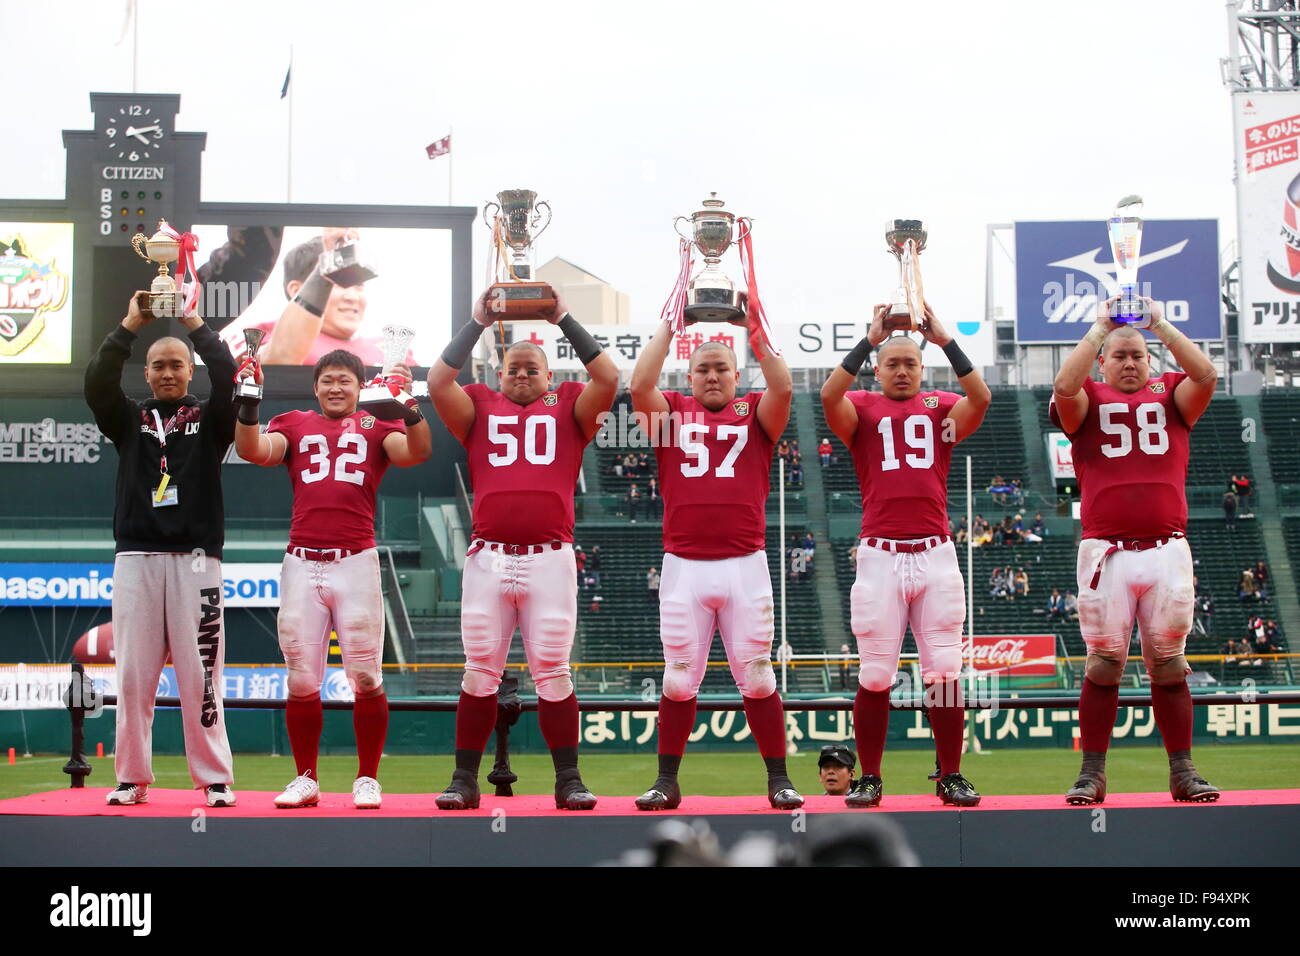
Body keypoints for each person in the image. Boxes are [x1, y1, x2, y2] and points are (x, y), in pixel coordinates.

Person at [426, 287, 618, 810]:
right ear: (498, 375)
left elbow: (609, 377)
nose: (523, 375)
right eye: (514, 368)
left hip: (549, 556)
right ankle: (465, 779)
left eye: (533, 369)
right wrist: (476, 323)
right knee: (479, 669)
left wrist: (561, 317)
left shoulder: (572, 405)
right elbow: (437, 380)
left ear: (549, 376)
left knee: (553, 669)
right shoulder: (479, 405)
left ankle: (568, 778)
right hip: (489, 556)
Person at [235, 350, 431, 809]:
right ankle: (306, 778)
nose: (335, 388)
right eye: (327, 380)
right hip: (302, 561)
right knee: (301, 678)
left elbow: (417, 451)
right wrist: (246, 403)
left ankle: (367, 777)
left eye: (344, 380)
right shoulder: (294, 423)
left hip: (354, 559)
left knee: (365, 675)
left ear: (361, 386)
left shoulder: (378, 424)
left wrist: (409, 406)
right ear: (315, 386)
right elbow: (252, 450)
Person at [629, 310, 802, 811]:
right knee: (679, 678)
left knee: (758, 676)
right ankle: (667, 781)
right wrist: (669, 323)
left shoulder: (757, 411)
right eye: (703, 368)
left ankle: (778, 779)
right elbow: (640, 384)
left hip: (744, 564)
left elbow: (784, 387)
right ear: (689, 376)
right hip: (684, 564)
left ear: (737, 374)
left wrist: (755, 327)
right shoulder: (672, 413)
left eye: (721, 368)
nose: (711, 376)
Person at [1050, 294, 1220, 804]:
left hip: (1167, 547)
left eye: (1137, 355)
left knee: (1168, 662)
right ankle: (1092, 773)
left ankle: (1182, 771)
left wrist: (1161, 324)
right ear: (1103, 361)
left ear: (1151, 360)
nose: (1129, 362)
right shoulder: (1088, 397)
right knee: (1104, 662)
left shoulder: (1172, 393)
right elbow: (1064, 386)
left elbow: (1207, 375)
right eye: (1119, 356)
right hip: (1107, 552)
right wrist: (1100, 328)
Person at [821, 301, 991, 808]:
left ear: (923, 368)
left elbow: (980, 397)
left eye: (909, 363)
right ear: (878, 369)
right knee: (875, 673)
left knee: (944, 670)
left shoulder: (941, 405)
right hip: (881, 553)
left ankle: (950, 775)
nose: (901, 370)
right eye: (892, 363)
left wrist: (945, 340)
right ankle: (868, 776)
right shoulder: (864, 407)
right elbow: (830, 395)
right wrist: (869, 339)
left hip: (935, 552)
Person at [84, 290, 238, 809]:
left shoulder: (211, 420)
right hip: (136, 559)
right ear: (145, 374)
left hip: (197, 559)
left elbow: (231, 377)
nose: (167, 373)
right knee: (133, 674)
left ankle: (215, 778)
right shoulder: (129, 420)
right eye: (158, 366)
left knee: (203, 676)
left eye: (176, 365)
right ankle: (131, 777)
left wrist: (194, 321)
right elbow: (96, 384)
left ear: (189, 371)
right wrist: (128, 326)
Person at [224, 229, 415, 368]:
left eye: (359, 285)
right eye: (339, 283)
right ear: (296, 290)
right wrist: (326, 266)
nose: (352, 297)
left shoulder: (389, 349)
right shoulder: (262, 334)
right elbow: (279, 362)